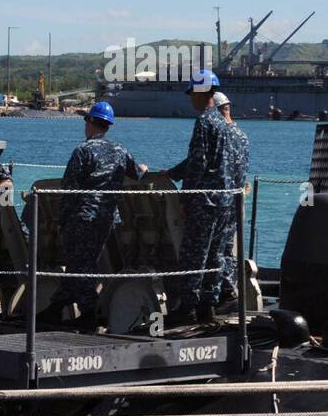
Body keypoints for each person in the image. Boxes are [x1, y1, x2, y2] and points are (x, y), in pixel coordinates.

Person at [54, 101, 147, 324]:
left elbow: (69, 190)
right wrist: (144, 169)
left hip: (83, 217)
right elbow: (138, 173)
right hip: (106, 220)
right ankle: (57, 305)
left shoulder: (82, 151)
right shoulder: (120, 150)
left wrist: (62, 221)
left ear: (90, 123)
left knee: (81, 265)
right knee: (83, 262)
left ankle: (88, 313)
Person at [164, 70, 236, 324]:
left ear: (201, 93)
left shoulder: (204, 122)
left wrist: (185, 198)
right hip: (224, 200)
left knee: (194, 253)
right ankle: (209, 307)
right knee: (215, 254)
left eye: (192, 93)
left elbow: (198, 163)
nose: (191, 99)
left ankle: (188, 307)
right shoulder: (225, 126)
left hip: (204, 200)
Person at [212, 92, 249, 303]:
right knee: (228, 248)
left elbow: (199, 162)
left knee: (215, 248)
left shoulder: (220, 134)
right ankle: (230, 290)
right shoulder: (242, 135)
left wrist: (170, 174)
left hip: (218, 201)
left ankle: (215, 296)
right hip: (237, 198)